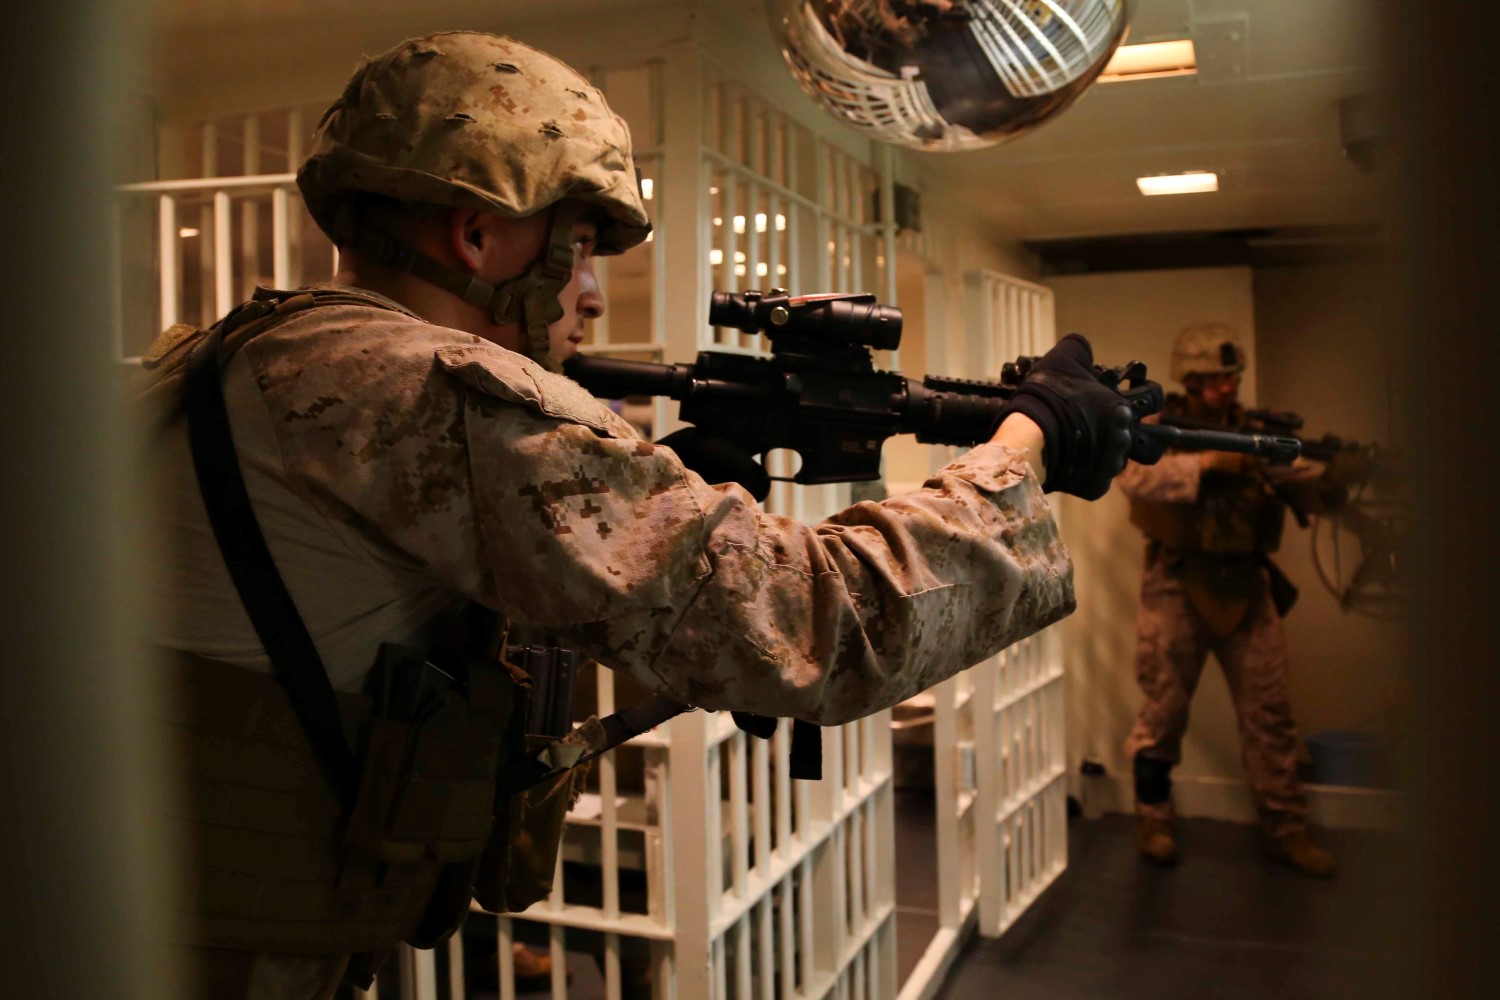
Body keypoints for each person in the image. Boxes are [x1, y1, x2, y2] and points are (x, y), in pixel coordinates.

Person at [137, 31, 1141, 1000]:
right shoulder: (431, 389)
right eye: (577, 248)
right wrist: (1028, 442)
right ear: (477, 233)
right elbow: (817, 625)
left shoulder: (244, 350)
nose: (590, 293)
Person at [1117, 322, 1350, 878]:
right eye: (1216, 378)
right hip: (1177, 581)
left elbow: (1302, 480)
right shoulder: (1160, 425)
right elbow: (1132, 475)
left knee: (1270, 714)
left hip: (1246, 585)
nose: (1227, 387)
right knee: (1163, 711)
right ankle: (1154, 818)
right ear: (1191, 379)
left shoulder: (1256, 431)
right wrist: (1207, 465)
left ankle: (1287, 826)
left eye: (1232, 377)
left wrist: (1336, 478)